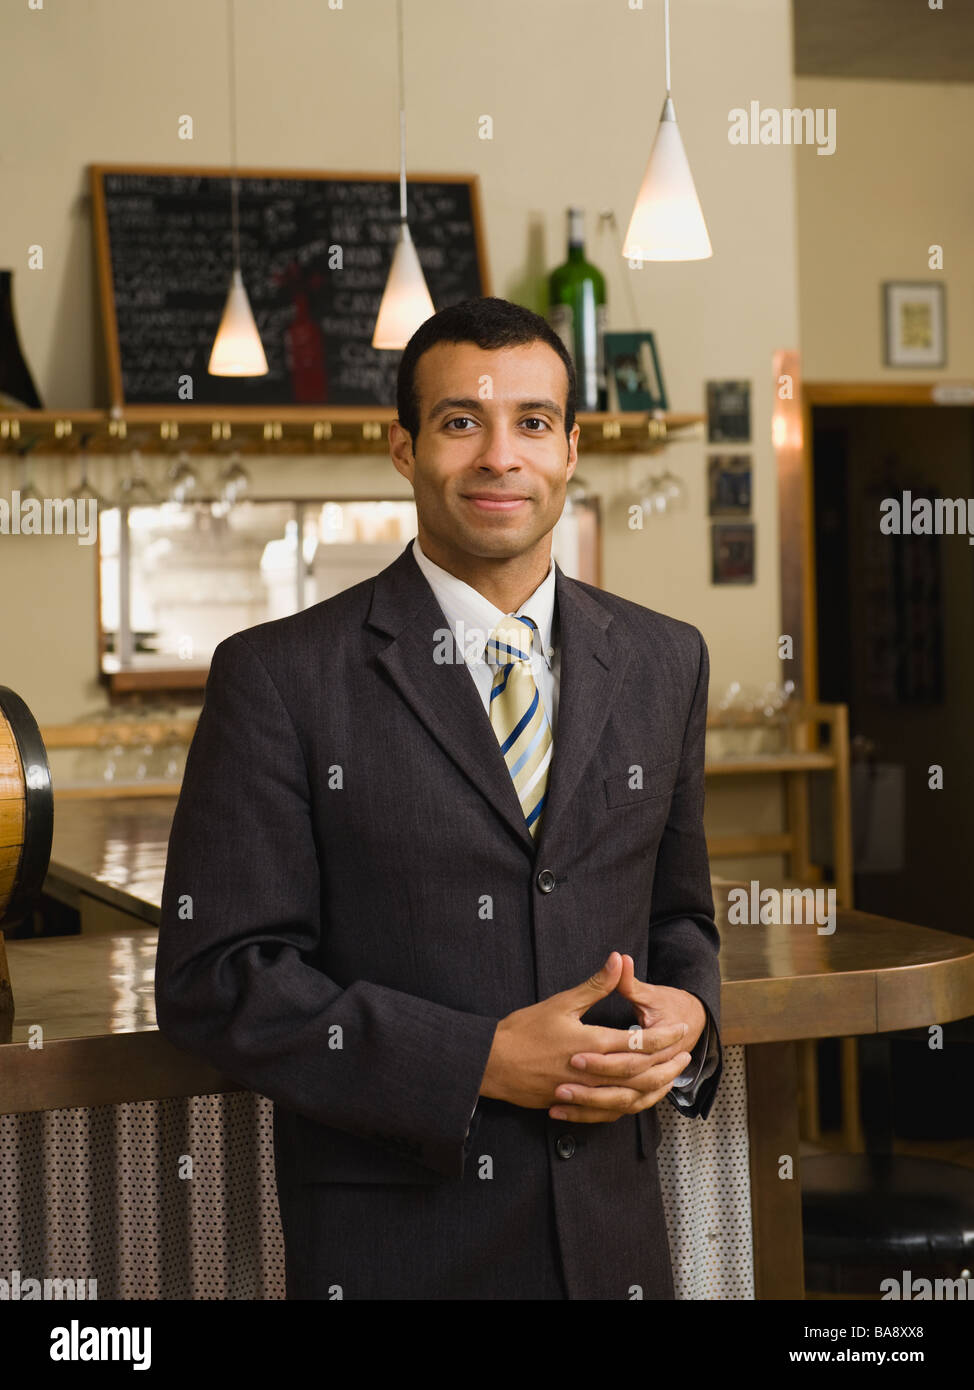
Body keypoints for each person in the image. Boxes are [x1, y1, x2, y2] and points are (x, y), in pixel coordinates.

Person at [155, 295, 722, 1300]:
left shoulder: (665, 659)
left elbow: (678, 917)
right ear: (403, 449)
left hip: (612, 1241)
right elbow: (217, 977)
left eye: (532, 422)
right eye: (462, 421)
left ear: (571, 449)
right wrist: (478, 1061)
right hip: (399, 1246)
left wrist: (691, 1019)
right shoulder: (279, 676)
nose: (500, 456)